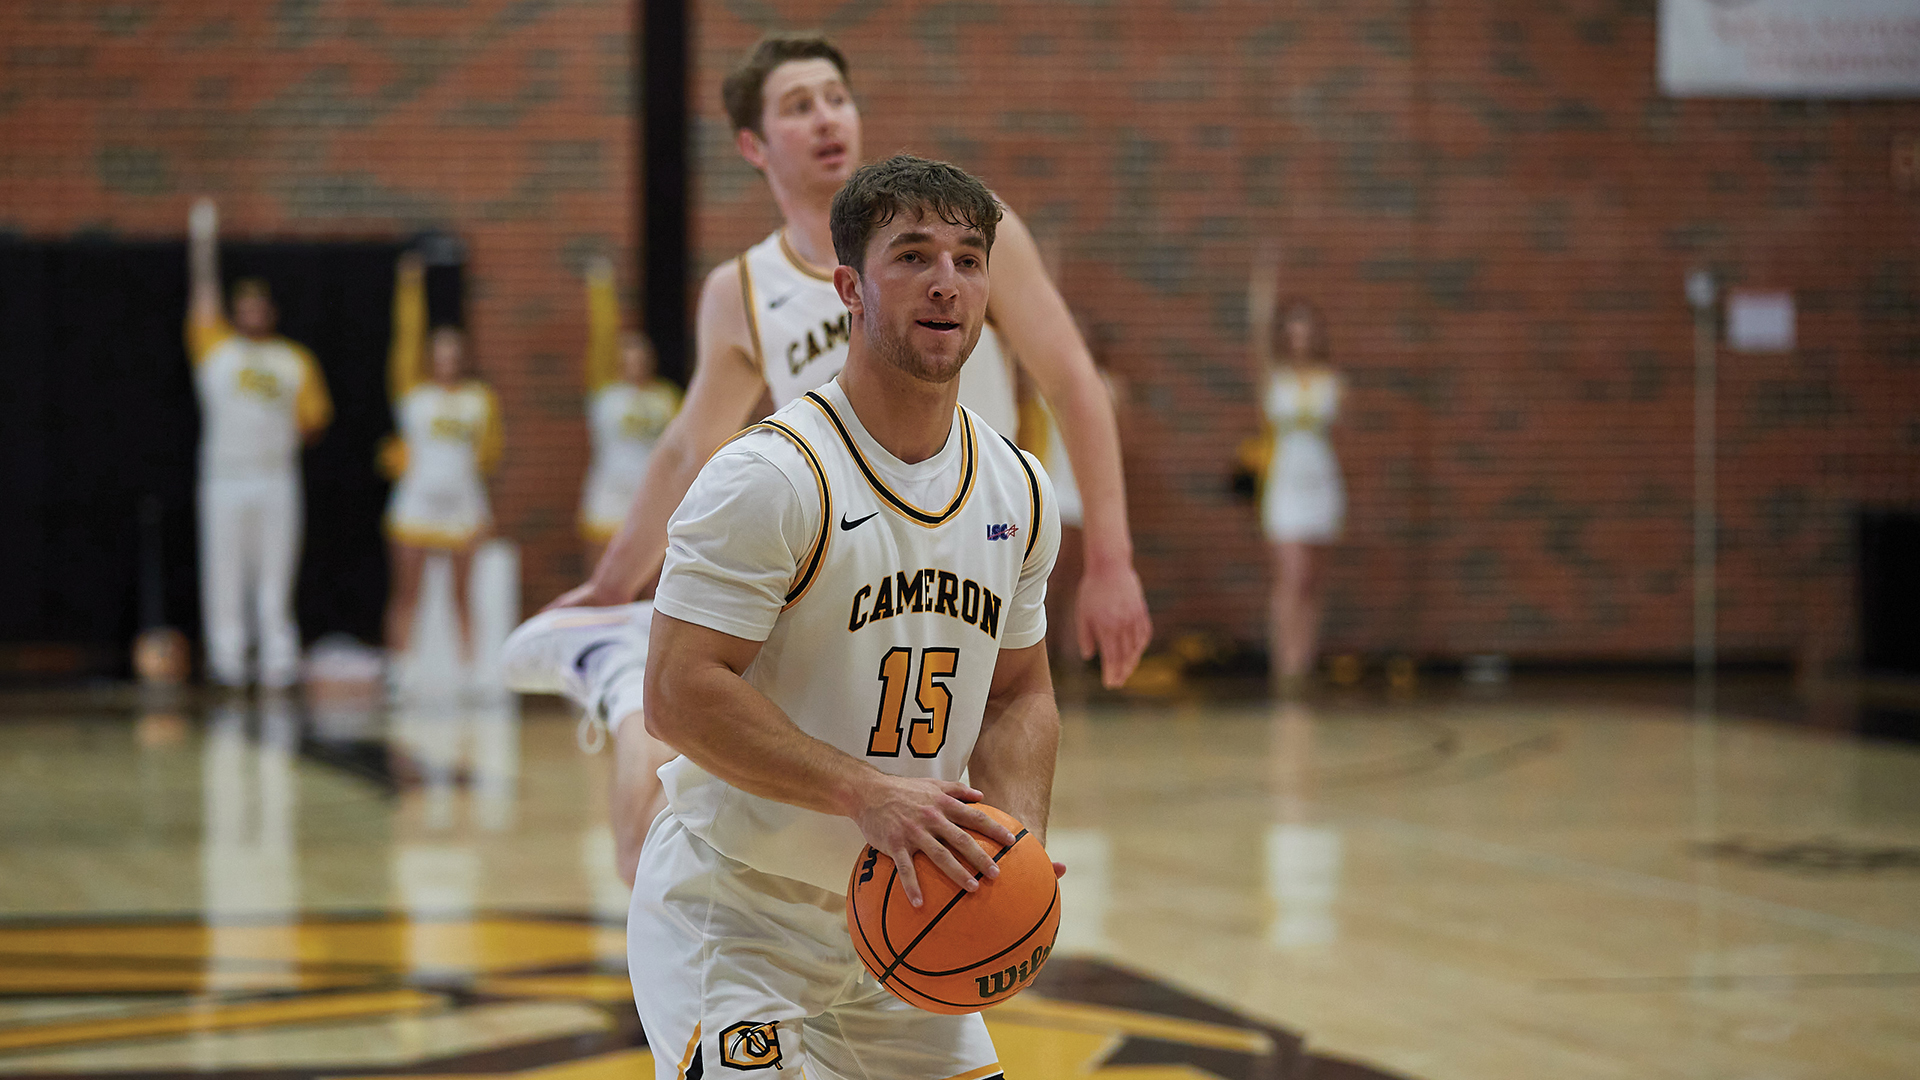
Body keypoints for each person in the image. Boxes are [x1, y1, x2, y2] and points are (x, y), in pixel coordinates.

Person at [503, 32, 1147, 885]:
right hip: (833, 566)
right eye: (798, 107)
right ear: (754, 145)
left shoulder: (964, 234)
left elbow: (1072, 379)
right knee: (647, 847)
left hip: (963, 539)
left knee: (928, 809)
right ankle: (629, 686)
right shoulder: (741, 289)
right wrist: (614, 583)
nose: (825, 119)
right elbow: (691, 443)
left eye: (836, 98)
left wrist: (1111, 559)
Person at [648, 154, 1059, 1079]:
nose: (945, 283)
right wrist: (864, 790)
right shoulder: (773, 479)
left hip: (904, 916)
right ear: (849, 287)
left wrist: (1013, 840)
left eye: (967, 258)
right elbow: (676, 694)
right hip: (738, 910)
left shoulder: (1020, 489)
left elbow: (1019, 694)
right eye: (912, 256)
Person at [185, 198, 333, 689]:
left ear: (270, 311)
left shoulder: (294, 361)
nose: (251, 312)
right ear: (235, 312)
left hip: (275, 475)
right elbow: (202, 295)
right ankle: (227, 658)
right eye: (242, 305)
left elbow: (314, 421)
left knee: (276, 571)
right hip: (225, 475)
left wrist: (286, 434)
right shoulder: (217, 350)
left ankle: (277, 658)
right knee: (223, 569)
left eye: (258, 305)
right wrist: (203, 242)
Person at [381, 252, 502, 675]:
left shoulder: (480, 399)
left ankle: (471, 678)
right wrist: (411, 288)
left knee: (462, 596)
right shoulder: (412, 393)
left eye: (455, 352)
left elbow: (489, 455)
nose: (447, 359)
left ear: (464, 356)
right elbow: (404, 338)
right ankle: (401, 677)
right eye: (440, 351)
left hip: (462, 504)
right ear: (430, 356)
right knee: (406, 594)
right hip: (415, 502)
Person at [1248, 243, 1345, 685]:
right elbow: (1255, 331)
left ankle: (1304, 663)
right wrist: (1265, 284)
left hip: (1321, 479)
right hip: (1284, 481)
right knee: (1291, 575)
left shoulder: (1333, 382)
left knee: (1313, 581)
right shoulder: (1272, 377)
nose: (1299, 334)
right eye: (1292, 327)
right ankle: (1283, 668)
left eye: (1306, 326)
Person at [577, 256, 681, 572]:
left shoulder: (666, 397)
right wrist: (600, 289)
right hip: (607, 493)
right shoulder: (604, 393)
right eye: (627, 356)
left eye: (640, 355)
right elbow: (601, 337)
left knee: (653, 584)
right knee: (601, 576)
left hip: (650, 497)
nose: (634, 362)